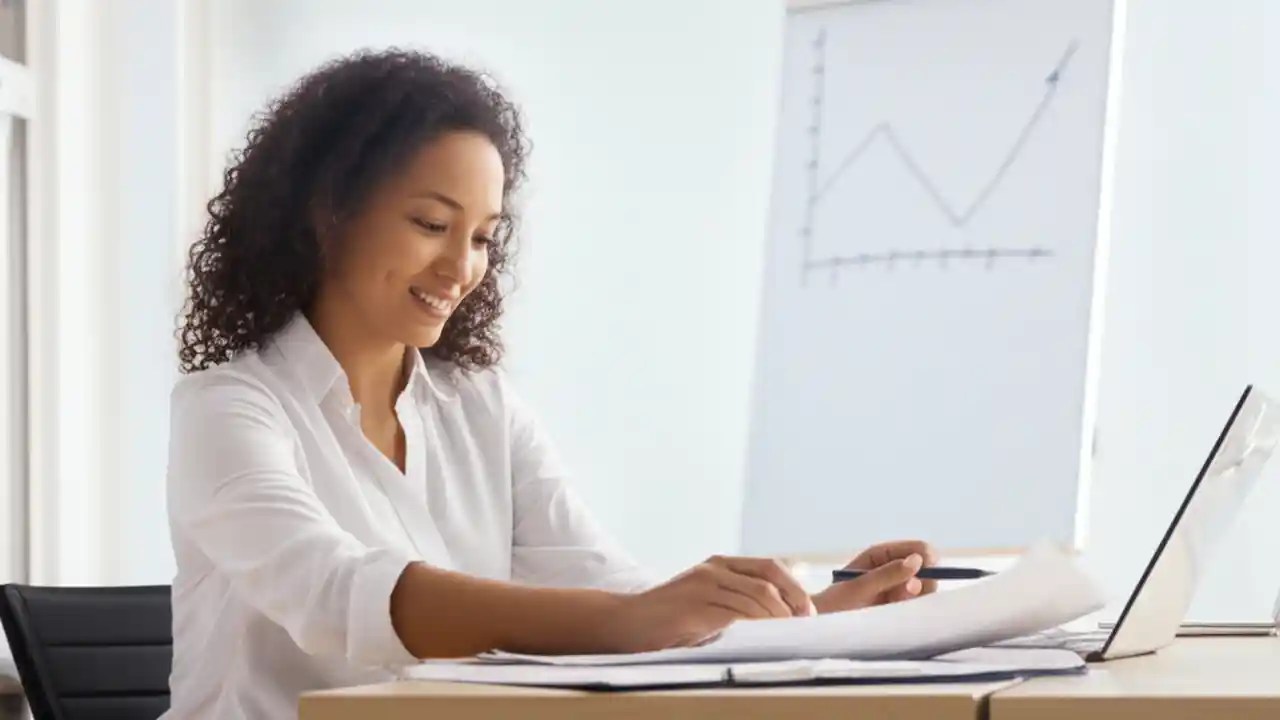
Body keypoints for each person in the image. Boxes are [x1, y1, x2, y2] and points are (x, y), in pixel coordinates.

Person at [165, 49, 939, 718]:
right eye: (432, 225)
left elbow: (610, 591)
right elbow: (337, 595)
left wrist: (811, 615)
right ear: (327, 212)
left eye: (482, 238)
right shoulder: (228, 409)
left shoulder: (478, 405)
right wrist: (637, 618)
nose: (461, 268)